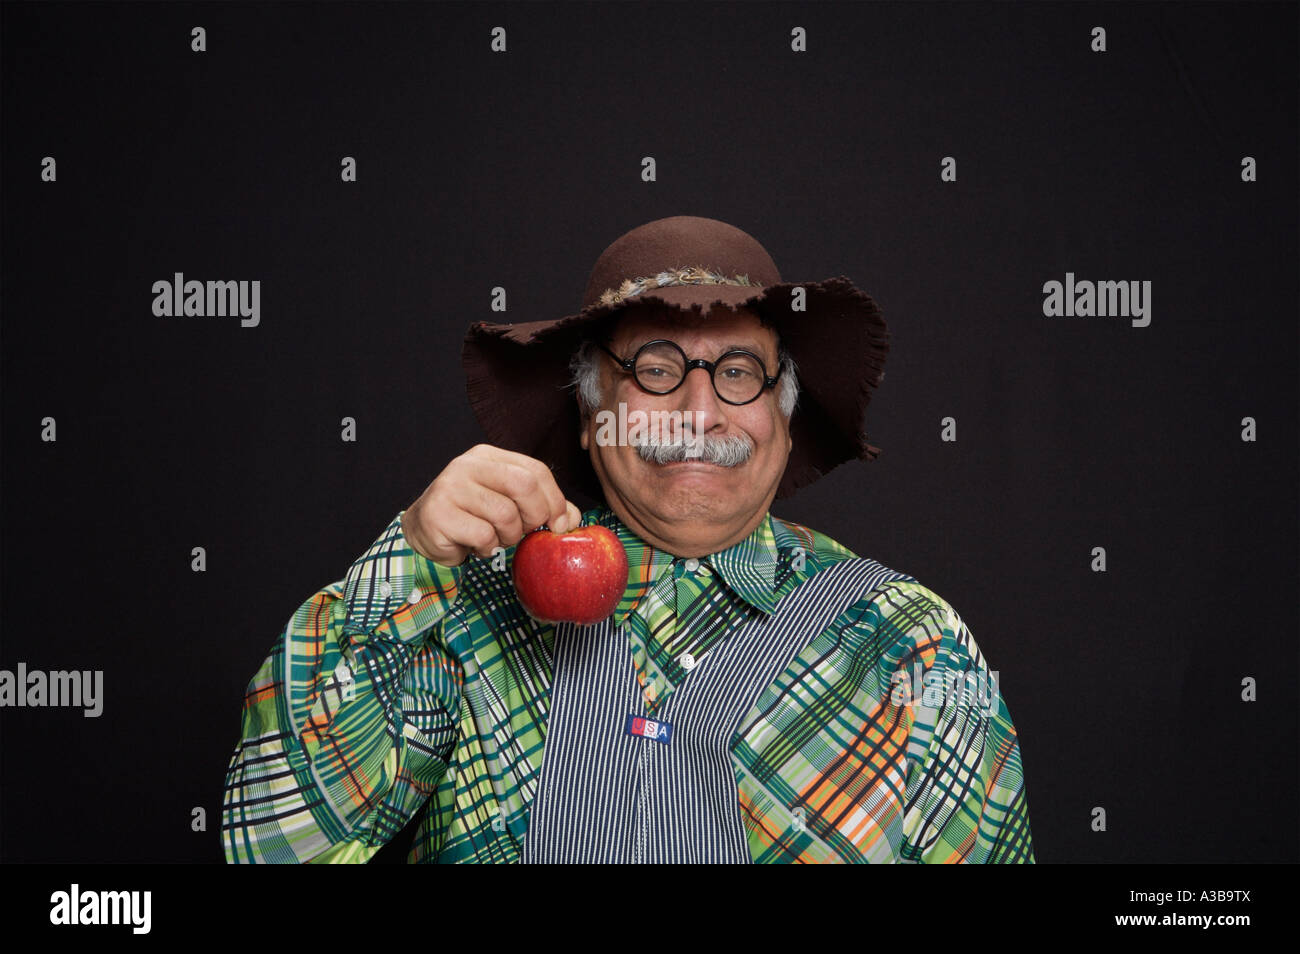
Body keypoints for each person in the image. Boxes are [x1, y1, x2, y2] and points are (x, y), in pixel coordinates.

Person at [221, 215, 1035, 863]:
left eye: (740, 372)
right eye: (654, 367)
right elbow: (274, 846)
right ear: (588, 414)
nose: (697, 413)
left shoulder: (911, 642)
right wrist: (408, 563)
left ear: (783, 425)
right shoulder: (467, 602)